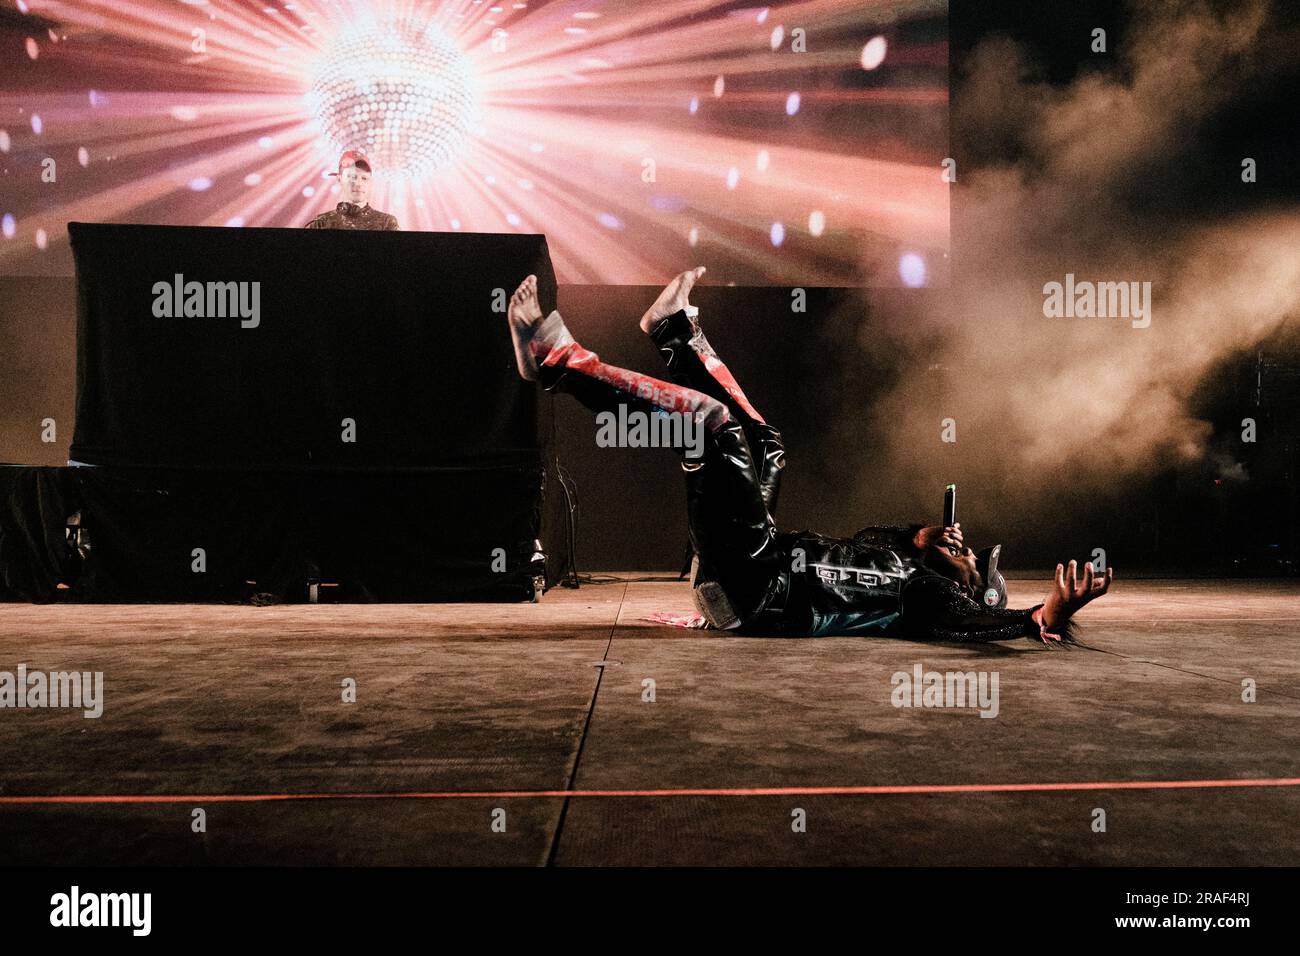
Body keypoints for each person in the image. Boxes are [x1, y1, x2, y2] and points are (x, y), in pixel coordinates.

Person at [505, 268, 1113, 643]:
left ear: (969, 588)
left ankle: (555, 361)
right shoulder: (901, 560)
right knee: (768, 445)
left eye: (971, 560)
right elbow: (869, 537)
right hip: (760, 557)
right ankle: (672, 332)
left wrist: (1045, 615)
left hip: (761, 589)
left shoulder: (929, 598)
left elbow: (980, 626)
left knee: (711, 425)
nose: (965, 549)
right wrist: (923, 535)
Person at [305, 150, 399, 231]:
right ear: (339, 179)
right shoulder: (321, 224)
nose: (358, 183)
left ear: (371, 181)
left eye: (364, 178)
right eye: (352, 177)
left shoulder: (387, 224)